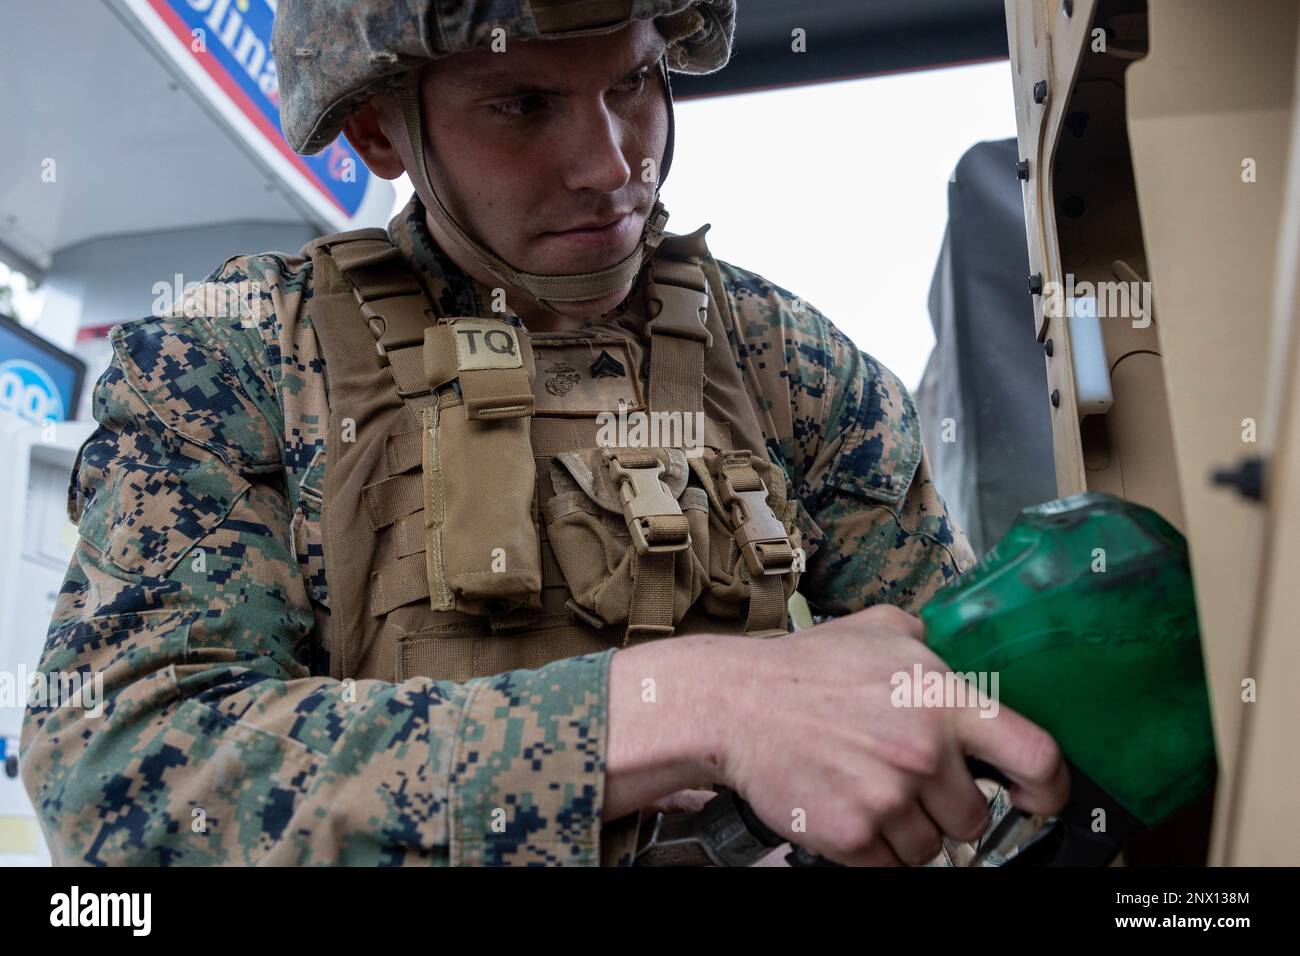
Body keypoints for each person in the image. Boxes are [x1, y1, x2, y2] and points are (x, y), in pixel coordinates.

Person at [21, 0, 1067, 867]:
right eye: (522, 105)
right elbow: (119, 780)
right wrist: (692, 705)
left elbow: (980, 711)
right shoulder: (245, 357)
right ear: (380, 129)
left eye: (634, 84)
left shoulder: (785, 360)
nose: (611, 163)